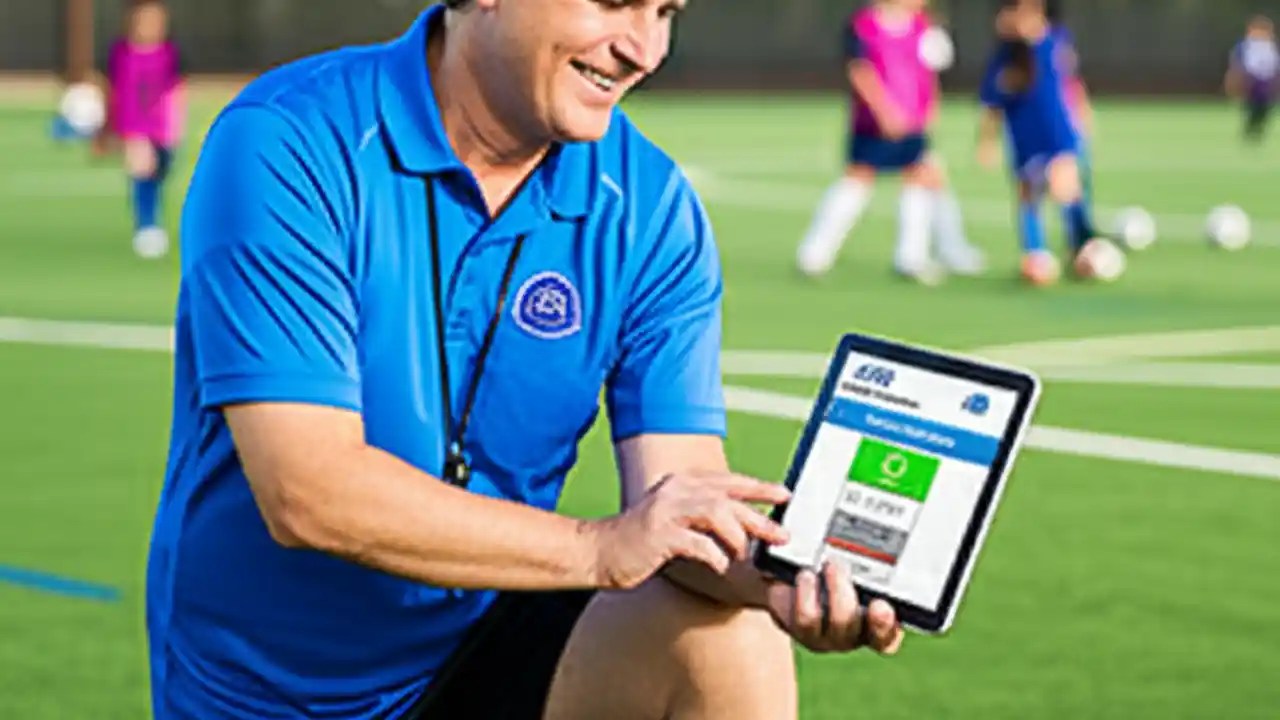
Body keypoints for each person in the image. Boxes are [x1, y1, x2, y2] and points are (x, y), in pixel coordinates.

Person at [145, 1, 906, 718]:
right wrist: (599, 547)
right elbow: (307, 491)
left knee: (730, 636)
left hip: (482, 655)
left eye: (665, 12)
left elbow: (683, 500)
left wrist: (783, 581)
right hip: (264, 694)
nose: (644, 50)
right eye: (614, 4)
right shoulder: (290, 138)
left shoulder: (649, 205)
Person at [795, 0, 985, 286]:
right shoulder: (864, 25)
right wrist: (883, 111)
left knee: (920, 178)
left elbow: (929, 75)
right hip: (874, 122)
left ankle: (912, 257)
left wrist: (928, 113)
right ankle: (815, 252)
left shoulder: (923, 27)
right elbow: (860, 71)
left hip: (913, 122)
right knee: (859, 177)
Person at [977, 0, 1103, 286]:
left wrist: (1082, 113)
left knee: (1066, 187)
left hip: (1058, 134)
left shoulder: (1055, 41)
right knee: (1028, 194)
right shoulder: (1004, 58)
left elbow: (1071, 80)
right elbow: (992, 105)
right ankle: (1036, 253)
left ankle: (1082, 245)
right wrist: (987, 143)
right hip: (1025, 138)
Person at [103, 0, 185, 259]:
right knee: (142, 172)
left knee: (160, 171)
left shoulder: (170, 53)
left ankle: (152, 221)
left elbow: (177, 90)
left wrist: (176, 124)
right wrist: (110, 127)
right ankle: (147, 225)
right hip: (133, 127)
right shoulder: (121, 53)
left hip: (161, 127)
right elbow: (112, 89)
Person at [1225, 14, 1279, 144]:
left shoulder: (1272, 46)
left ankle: (1258, 127)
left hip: (1266, 80)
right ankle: (1250, 128)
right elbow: (1237, 63)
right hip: (1251, 79)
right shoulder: (1244, 45)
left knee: (1266, 106)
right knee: (1251, 106)